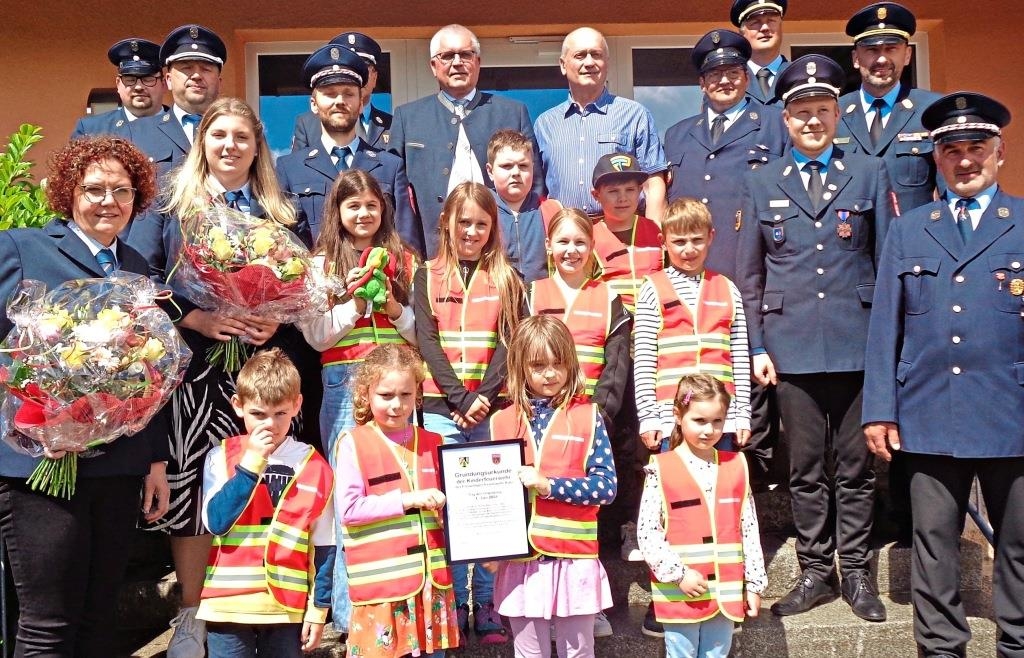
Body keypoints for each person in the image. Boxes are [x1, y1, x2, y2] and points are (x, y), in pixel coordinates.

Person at [132, 96, 311, 658]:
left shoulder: (280, 212)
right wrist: (198, 316)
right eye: (219, 136)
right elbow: (143, 279)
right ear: (202, 142)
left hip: (260, 371)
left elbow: (298, 283)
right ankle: (191, 613)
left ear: (258, 147)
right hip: (195, 370)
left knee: (258, 482)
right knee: (192, 491)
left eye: (241, 137)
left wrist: (273, 315)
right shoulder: (169, 207)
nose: (229, 146)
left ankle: (257, 605)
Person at [863, 92, 1024, 657]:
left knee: (1020, 542)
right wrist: (880, 408)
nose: (964, 160)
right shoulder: (911, 229)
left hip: (1013, 413)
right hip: (928, 411)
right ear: (935, 159)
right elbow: (886, 325)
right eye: (951, 150)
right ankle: (939, 648)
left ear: (999, 153)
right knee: (933, 544)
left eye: (976, 148)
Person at [735, 54, 894, 622]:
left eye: (822, 110)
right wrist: (755, 346)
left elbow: (886, 263)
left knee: (854, 469)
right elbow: (750, 276)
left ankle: (855, 574)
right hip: (790, 349)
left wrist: (887, 347)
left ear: (837, 114)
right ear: (785, 118)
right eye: (801, 112)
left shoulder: (869, 175)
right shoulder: (760, 181)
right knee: (802, 469)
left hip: (856, 344)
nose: (811, 121)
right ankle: (814, 572)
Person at [0, 136, 170, 656]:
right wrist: (37, 422)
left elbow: (154, 372)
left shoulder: (139, 266)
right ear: (68, 193)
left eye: (121, 190)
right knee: (48, 625)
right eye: (93, 189)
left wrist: (155, 461)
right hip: (37, 466)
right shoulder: (22, 247)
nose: (107, 201)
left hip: (115, 466)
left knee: (101, 619)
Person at [663, 29, 787, 492]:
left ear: (746, 76)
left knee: (752, 387)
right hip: (690, 285)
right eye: (714, 73)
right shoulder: (678, 136)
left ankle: (752, 488)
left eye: (733, 72)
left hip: (752, 272)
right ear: (701, 82)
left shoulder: (774, 125)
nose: (723, 80)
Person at [298, 169, 417, 633]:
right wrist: (355, 305)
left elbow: (421, 334)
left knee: (395, 485)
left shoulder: (404, 259)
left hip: (397, 381)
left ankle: (400, 605)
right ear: (337, 211)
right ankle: (351, 616)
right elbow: (315, 337)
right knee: (351, 493)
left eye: (371, 204)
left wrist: (391, 306)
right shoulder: (320, 264)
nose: (363, 214)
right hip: (343, 379)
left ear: (383, 208)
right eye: (353, 206)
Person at [632, 197, 751, 637]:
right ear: (663, 242)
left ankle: (725, 595)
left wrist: (741, 413)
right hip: (672, 423)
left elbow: (738, 352)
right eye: (678, 240)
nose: (687, 248)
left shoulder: (727, 289)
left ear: (711, 239)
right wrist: (649, 416)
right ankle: (663, 599)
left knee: (719, 511)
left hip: (717, 422)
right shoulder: (653, 289)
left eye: (696, 240)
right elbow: (645, 357)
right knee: (671, 513)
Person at [414, 181, 526, 645]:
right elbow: (426, 340)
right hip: (444, 408)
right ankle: (454, 603)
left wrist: (483, 394)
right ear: (446, 223)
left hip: (490, 408)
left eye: (482, 224)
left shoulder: (506, 276)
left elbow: (510, 340)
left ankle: (486, 603)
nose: (473, 231)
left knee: (488, 510)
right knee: (448, 511)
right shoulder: (426, 274)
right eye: (464, 222)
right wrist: (460, 397)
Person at [527, 208, 631, 638]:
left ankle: (590, 605)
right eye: (563, 242)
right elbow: (520, 354)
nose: (572, 250)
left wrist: (597, 417)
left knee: (587, 512)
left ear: (592, 249)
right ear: (549, 246)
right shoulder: (530, 293)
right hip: (538, 419)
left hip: (588, 422)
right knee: (541, 506)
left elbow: (617, 364)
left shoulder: (610, 298)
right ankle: (539, 599)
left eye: (580, 243)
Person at [489, 315, 617, 658]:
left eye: (558, 363)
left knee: (578, 652)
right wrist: (489, 547)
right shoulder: (500, 422)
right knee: (529, 653)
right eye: (538, 365)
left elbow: (606, 487)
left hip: (573, 557)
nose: (550, 373)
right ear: (520, 368)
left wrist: (550, 486)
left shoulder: (590, 415)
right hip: (521, 563)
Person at [198, 348, 334, 657]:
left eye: (280, 413)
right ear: (238, 406)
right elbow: (216, 521)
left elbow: (325, 544)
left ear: (297, 405)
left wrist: (318, 609)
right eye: (258, 414)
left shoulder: (314, 465)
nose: (269, 424)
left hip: (287, 606)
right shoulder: (220, 456)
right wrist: (250, 465)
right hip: (227, 604)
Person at [334, 344, 460, 657]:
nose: (397, 405)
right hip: (383, 590)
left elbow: (453, 509)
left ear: (418, 393)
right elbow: (348, 510)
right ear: (366, 394)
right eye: (386, 395)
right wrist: (407, 499)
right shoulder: (353, 443)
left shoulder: (434, 441)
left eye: (405, 395)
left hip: (431, 585)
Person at [637, 374, 766, 658]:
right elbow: (648, 533)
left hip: (727, 590)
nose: (709, 430)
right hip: (681, 590)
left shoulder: (737, 465)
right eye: (699, 421)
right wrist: (678, 574)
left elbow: (749, 528)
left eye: (717, 421)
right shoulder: (660, 467)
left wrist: (754, 584)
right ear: (678, 415)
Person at [388, 24, 540, 259]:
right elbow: (394, 192)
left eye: (466, 54)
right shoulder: (408, 117)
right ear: (433, 65)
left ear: (478, 62)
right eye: (447, 56)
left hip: (501, 249)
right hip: (432, 250)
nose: (457, 62)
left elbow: (535, 183)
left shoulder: (512, 113)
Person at [276, 43, 420, 253]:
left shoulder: (390, 166)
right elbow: (283, 242)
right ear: (314, 104)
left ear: (361, 103)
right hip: (313, 282)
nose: (340, 101)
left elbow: (407, 244)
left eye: (348, 94)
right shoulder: (290, 168)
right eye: (330, 93)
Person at [534, 27, 669, 220]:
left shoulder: (635, 115)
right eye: (580, 55)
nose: (589, 62)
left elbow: (653, 183)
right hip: (564, 238)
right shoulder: (544, 124)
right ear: (563, 65)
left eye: (596, 55)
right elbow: (538, 190)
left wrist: (653, 240)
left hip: (621, 233)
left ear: (607, 63)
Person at [836, 2, 941, 215]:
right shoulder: (833, 113)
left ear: (908, 55)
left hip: (911, 242)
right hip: (851, 243)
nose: (882, 59)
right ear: (856, 58)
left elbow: (950, 191)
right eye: (872, 50)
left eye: (891, 48)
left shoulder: (932, 111)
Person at [129, 24, 226, 176]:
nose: (196, 76)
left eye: (206, 69)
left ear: (219, 82)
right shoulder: (136, 132)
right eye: (186, 68)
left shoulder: (241, 133)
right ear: (168, 80)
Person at [589, 152, 664, 314]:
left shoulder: (657, 233)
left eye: (630, 189)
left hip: (655, 328)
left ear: (640, 190)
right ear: (596, 195)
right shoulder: (588, 238)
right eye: (613, 191)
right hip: (612, 330)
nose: (623, 198)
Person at [292, 32, 393, 151]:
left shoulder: (394, 125)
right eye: (350, 69)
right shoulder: (307, 124)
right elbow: (298, 166)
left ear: (375, 77)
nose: (356, 78)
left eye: (363, 69)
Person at [488, 129, 552, 284]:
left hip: (541, 302)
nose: (516, 172)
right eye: (507, 166)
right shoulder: (481, 211)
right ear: (490, 171)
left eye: (523, 166)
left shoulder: (550, 210)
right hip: (496, 300)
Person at [71, 38, 167, 139]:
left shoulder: (181, 125)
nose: (139, 87)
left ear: (164, 84)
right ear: (118, 84)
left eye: (148, 79)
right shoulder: (90, 130)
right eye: (130, 79)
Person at [731, 0, 789, 105]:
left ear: (781, 27)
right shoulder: (727, 83)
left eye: (771, 20)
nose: (765, 28)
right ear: (742, 33)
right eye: (756, 23)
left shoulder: (800, 77)